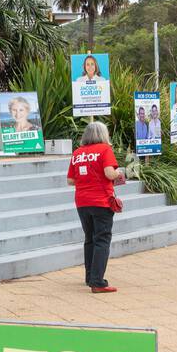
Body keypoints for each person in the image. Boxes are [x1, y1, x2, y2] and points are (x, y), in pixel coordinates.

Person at [66, 121, 122, 293]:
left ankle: (90, 276)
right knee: (102, 239)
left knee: (89, 238)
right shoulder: (105, 150)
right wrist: (120, 173)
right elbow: (109, 173)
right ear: (103, 134)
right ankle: (97, 282)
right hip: (101, 200)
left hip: (82, 201)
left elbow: (70, 180)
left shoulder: (77, 153)